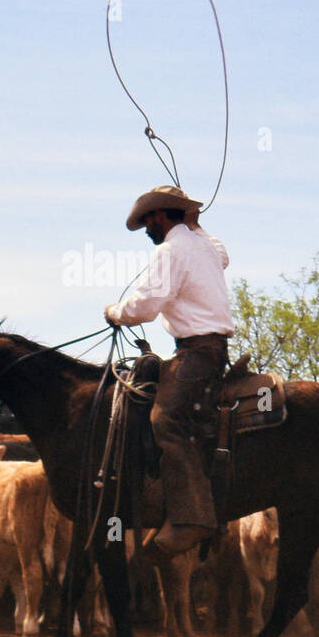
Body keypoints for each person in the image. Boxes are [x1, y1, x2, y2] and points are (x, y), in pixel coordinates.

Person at [104, 183, 234, 553]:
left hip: (196, 352)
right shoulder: (203, 246)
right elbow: (223, 255)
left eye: (148, 220)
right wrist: (196, 225)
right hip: (209, 349)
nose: (147, 229)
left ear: (159, 216)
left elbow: (146, 306)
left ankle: (191, 519)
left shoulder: (169, 250)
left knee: (166, 421)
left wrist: (115, 312)